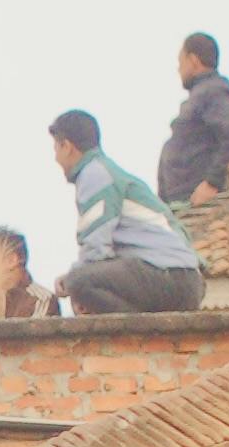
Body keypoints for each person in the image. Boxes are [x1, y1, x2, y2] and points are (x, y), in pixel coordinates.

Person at [43, 109, 206, 316]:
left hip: (167, 276)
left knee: (79, 282)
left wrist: (71, 279)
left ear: (66, 146)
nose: (55, 158)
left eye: (56, 149)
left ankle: (138, 330)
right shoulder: (110, 172)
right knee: (83, 279)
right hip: (185, 279)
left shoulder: (94, 174)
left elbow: (95, 248)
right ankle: (145, 328)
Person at [156, 33, 229, 202]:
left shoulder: (214, 91)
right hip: (181, 199)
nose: (178, 69)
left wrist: (212, 183)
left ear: (193, 60)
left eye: (181, 62)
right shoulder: (203, 93)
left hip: (199, 199)